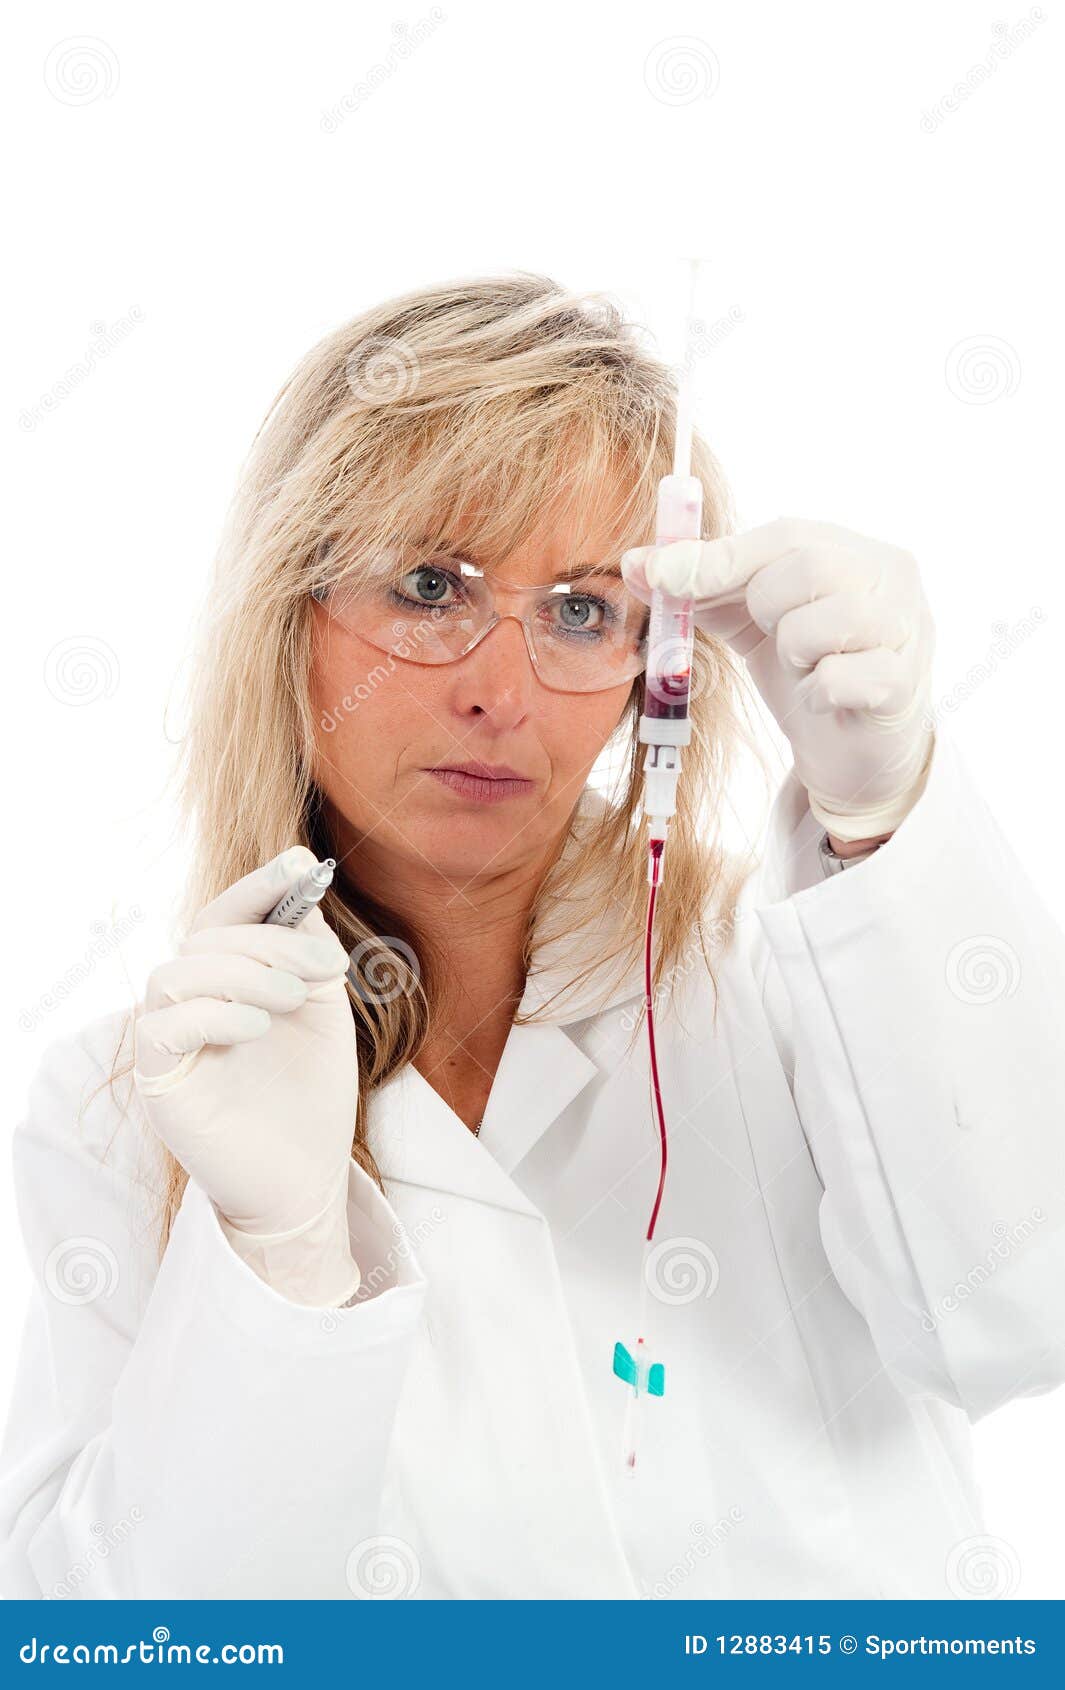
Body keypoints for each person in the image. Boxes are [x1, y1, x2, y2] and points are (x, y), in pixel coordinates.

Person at [2, 275, 1063, 1601]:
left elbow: (1020, 1310)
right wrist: (278, 1267)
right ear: (291, 618)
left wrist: (885, 819)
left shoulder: (789, 966)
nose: (499, 693)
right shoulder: (132, 1104)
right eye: (428, 585)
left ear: (651, 657)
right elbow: (135, 1637)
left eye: (577, 609)